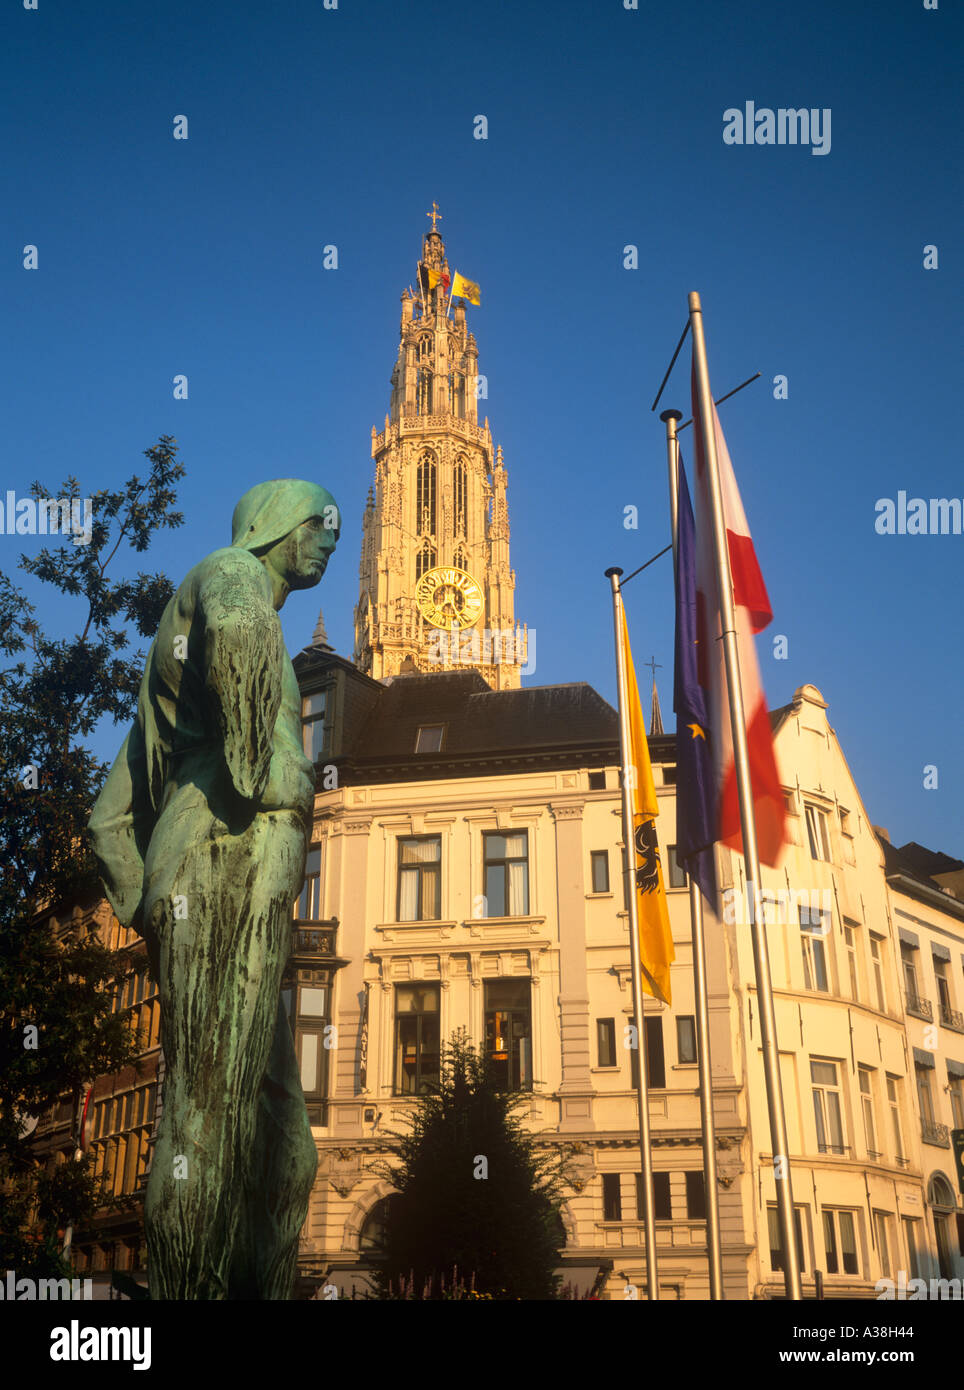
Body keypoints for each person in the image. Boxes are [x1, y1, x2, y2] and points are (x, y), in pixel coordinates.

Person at [89, 479, 339, 1299]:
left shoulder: (185, 660)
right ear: (273, 525)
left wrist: (150, 907)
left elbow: (106, 820)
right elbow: (236, 632)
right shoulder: (231, 574)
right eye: (317, 519)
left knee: (285, 1144)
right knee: (208, 1114)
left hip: (212, 869)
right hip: (226, 851)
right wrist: (264, 768)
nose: (332, 534)